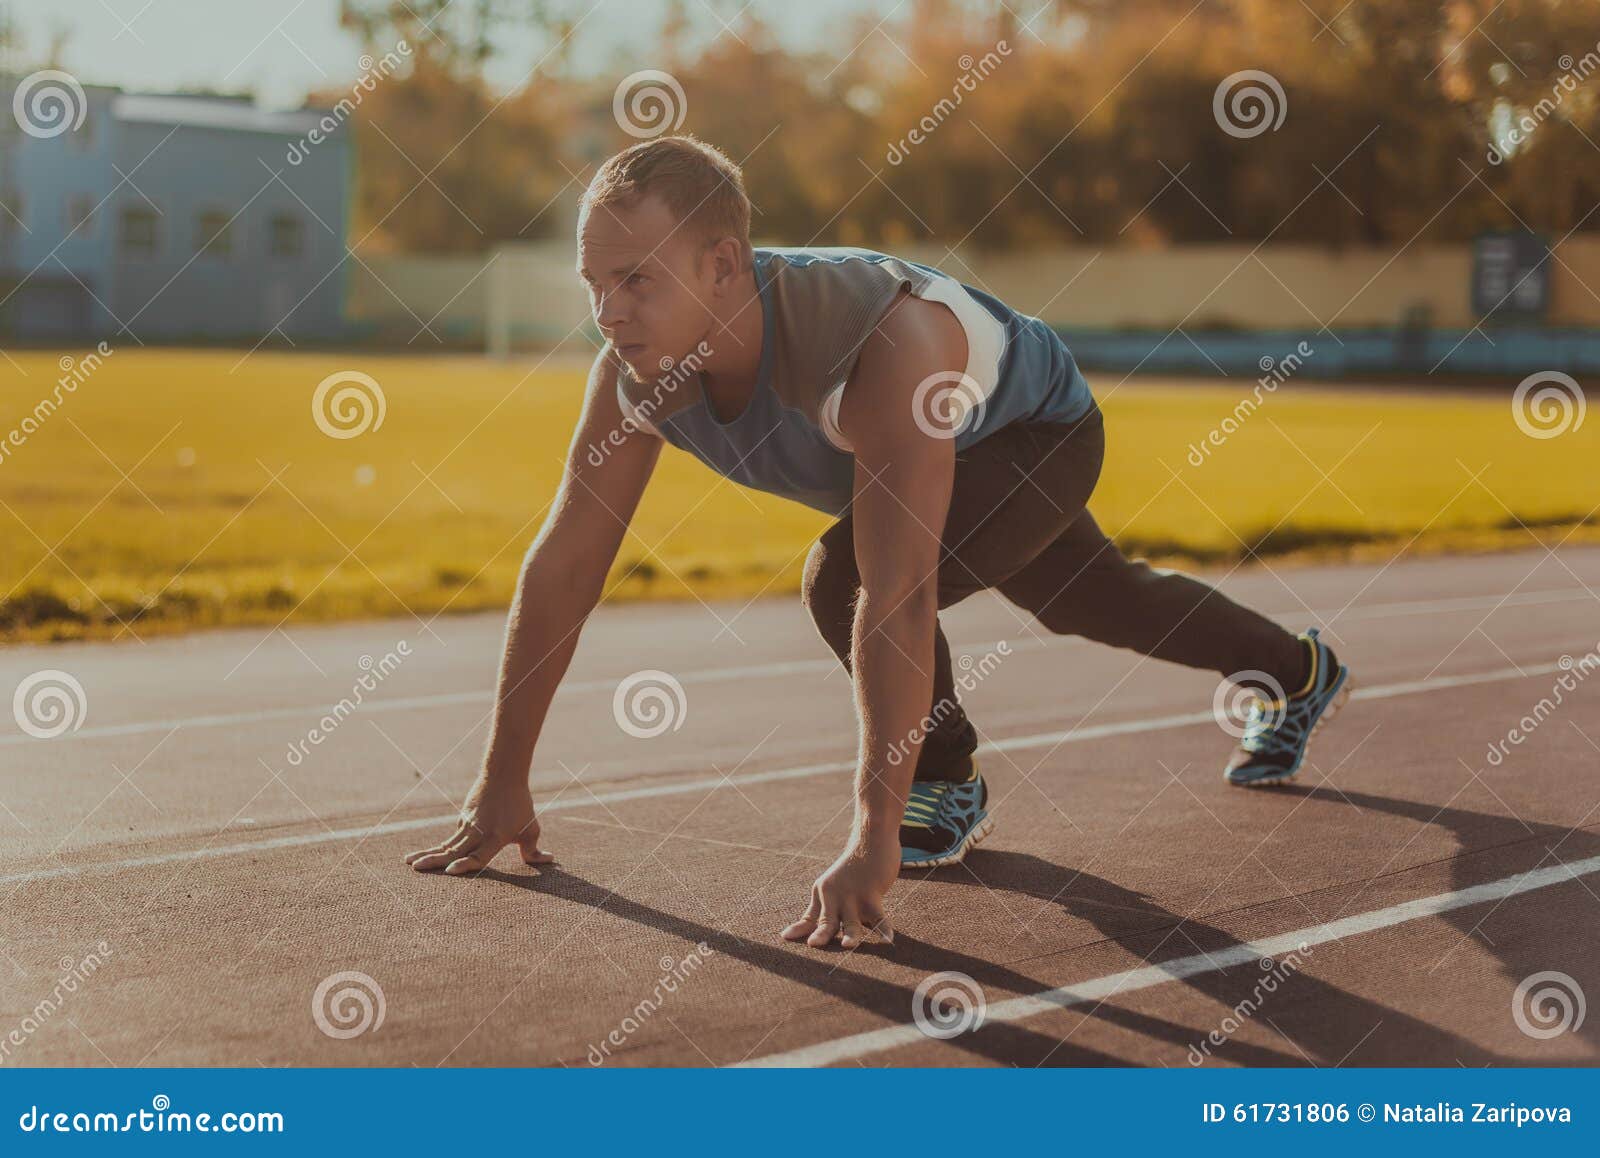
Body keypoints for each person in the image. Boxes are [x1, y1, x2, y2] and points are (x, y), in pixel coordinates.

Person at [403, 135, 1353, 951]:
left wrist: (873, 831)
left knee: (847, 580)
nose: (608, 313)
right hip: (950, 445)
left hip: (1033, 433)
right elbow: (568, 561)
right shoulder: (633, 376)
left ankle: (947, 783)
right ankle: (1299, 670)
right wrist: (502, 778)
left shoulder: (875, 344)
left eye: (636, 280)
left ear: (724, 266)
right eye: (595, 284)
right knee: (1087, 596)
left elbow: (896, 593)